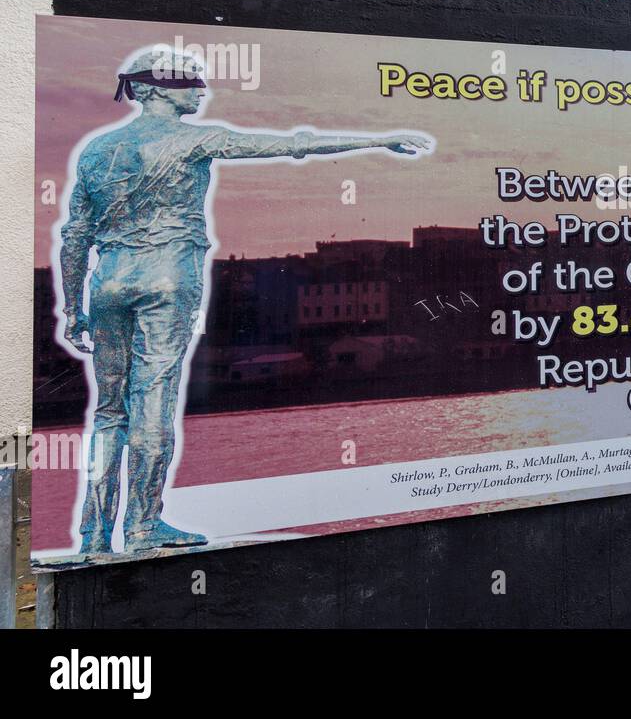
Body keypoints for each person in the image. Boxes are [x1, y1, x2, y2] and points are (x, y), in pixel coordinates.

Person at [58, 45, 433, 553]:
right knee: (153, 402)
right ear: (152, 90)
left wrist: (74, 306)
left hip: (108, 283)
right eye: (189, 82)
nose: (199, 90)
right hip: (168, 278)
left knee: (108, 412)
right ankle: (143, 525)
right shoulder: (196, 140)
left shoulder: (97, 151)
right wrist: (380, 138)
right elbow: (284, 146)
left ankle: (94, 535)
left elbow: (75, 235)